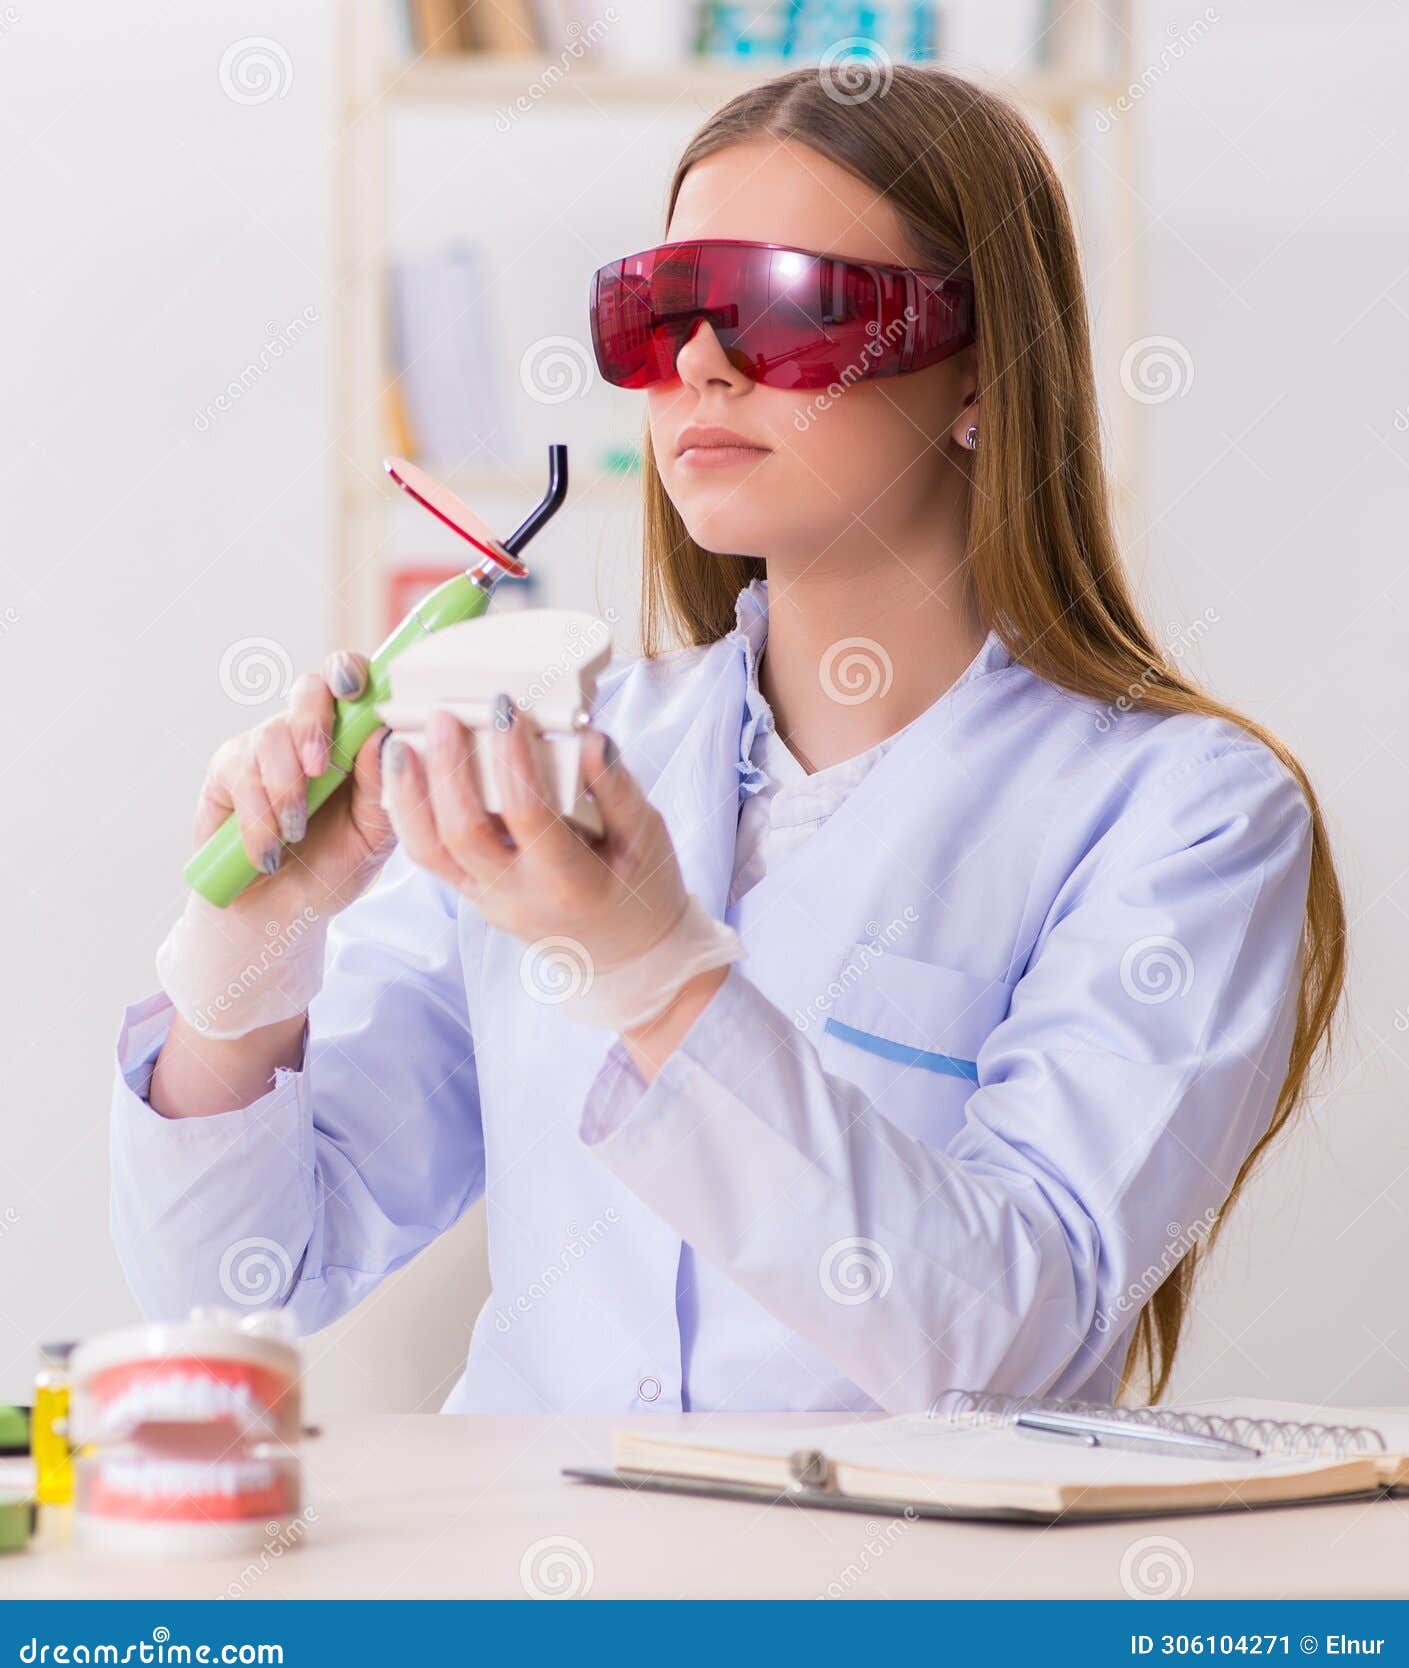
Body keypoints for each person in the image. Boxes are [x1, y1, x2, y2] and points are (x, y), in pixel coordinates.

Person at [110, 65, 1345, 1414]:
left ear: (978, 372)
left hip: (892, 1606)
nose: (699, 364)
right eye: (659, 315)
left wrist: (654, 969)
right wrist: (254, 951)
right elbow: (240, 1280)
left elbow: (1008, 1343)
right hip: (516, 1586)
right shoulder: (549, 757)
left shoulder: (1187, 814)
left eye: (785, 307)